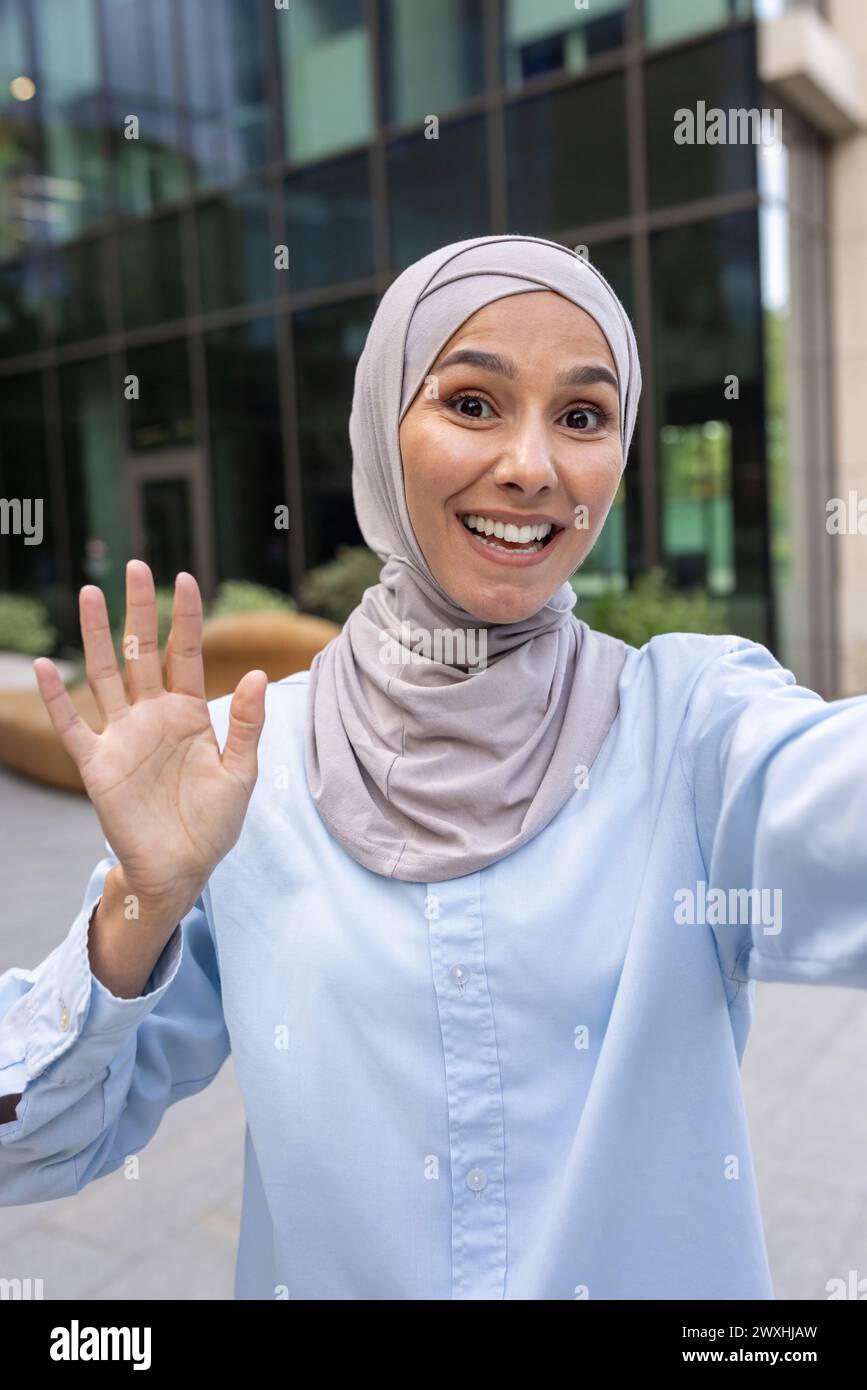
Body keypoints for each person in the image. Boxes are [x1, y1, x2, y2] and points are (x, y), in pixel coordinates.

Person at [1, 234, 865, 1301]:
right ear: (380, 428)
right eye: (471, 402)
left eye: (584, 416)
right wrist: (142, 904)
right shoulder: (240, 769)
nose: (533, 465)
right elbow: (31, 1142)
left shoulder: (691, 729)